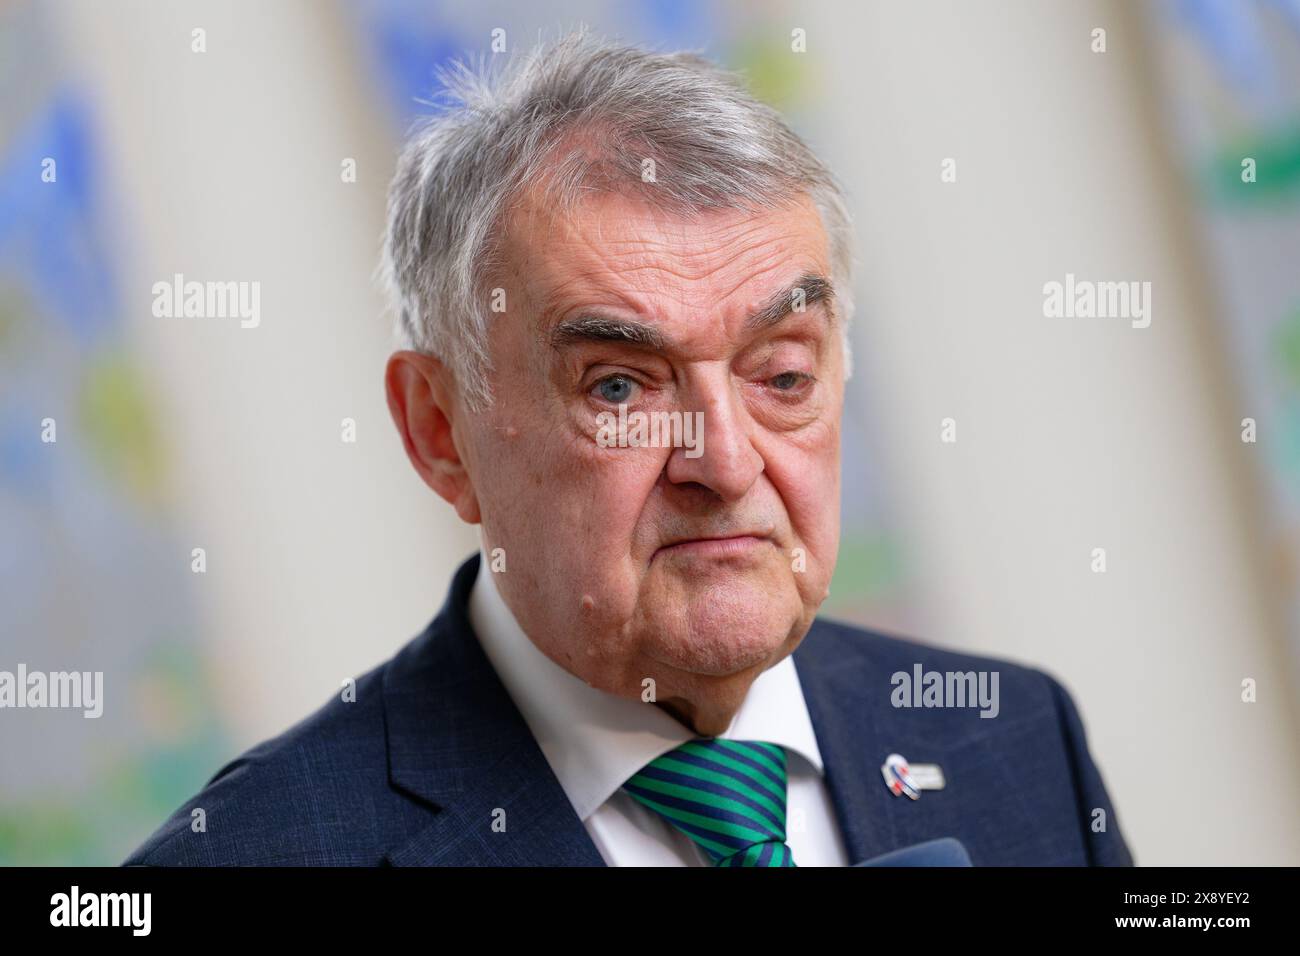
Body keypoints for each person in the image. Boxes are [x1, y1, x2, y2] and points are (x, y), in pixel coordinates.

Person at [124, 30, 1133, 867]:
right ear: (441, 431)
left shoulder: (1014, 737)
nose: (726, 462)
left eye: (780, 374)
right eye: (619, 385)